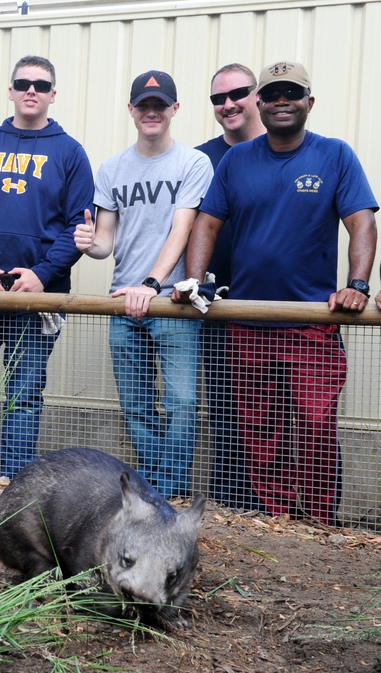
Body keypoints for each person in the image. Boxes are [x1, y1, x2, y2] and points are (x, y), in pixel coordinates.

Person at [173, 61, 378, 526]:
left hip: (313, 324)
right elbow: (206, 223)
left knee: (315, 428)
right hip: (247, 323)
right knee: (259, 432)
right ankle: (277, 522)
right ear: (260, 105)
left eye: (292, 92)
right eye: (273, 94)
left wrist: (358, 285)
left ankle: (321, 522)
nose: (282, 100)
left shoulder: (335, 155)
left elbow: (361, 221)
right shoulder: (235, 162)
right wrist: (194, 278)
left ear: (309, 102)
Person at [0, 55, 94, 479]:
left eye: (41, 85)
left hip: (37, 299)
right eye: (23, 83)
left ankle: (15, 484)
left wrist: (43, 273)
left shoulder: (70, 152)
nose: (32, 90)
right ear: (10, 90)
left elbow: (79, 225)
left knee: (24, 396)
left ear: (52, 95)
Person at [74, 70, 213, 499]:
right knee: (136, 407)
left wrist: (152, 283)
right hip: (124, 300)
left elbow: (182, 228)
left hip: (174, 301)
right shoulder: (112, 168)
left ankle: (170, 493)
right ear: (132, 111)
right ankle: (151, 492)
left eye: (160, 105)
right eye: (143, 105)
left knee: (182, 404)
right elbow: (105, 243)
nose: (151, 112)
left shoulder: (193, 163)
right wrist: (87, 244)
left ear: (174, 109)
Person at [194, 64, 265, 510]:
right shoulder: (201, 159)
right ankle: (233, 505)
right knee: (226, 409)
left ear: (257, 96)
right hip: (216, 307)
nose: (228, 104)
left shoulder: (292, 149)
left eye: (238, 93)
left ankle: (286, 512)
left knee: (289, 415)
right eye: (219, 98)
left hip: (281, 306)